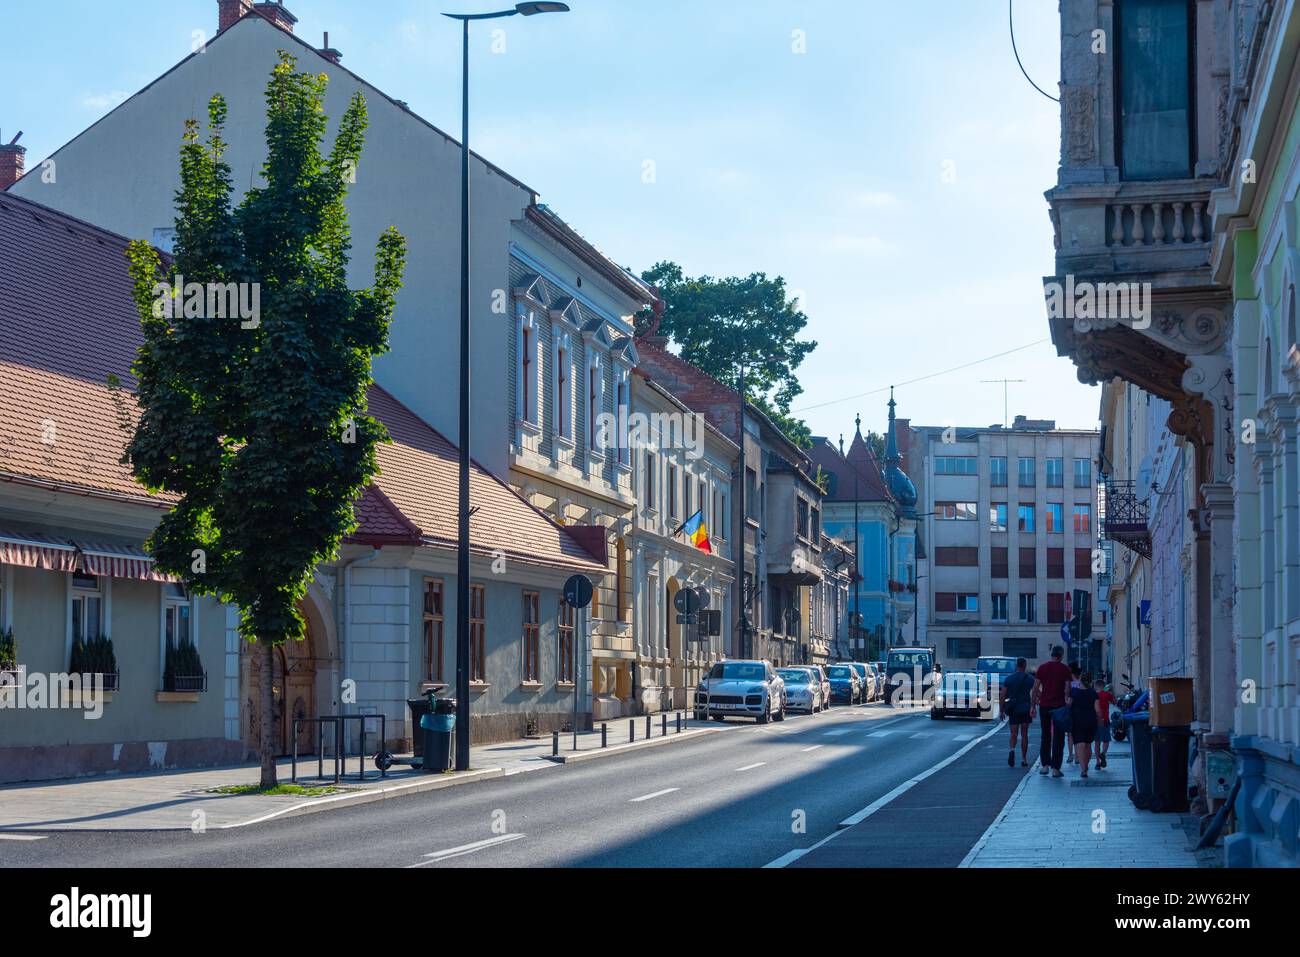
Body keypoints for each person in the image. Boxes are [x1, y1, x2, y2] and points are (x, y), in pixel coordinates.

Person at [1032, 645, 1071, 777]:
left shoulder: (1042, 668)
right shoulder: (1065, 669)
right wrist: (1067, 700)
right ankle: (1055, 768)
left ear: (1052, 654)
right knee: (1059, 737)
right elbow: (1067, 689)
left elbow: (1035, 687)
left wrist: (1033, 705)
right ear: (1061, 655)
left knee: (1045, 735)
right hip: (1059, 706)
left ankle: (1045, 766)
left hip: (1044, 706)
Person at [1000, 657, 1035, 767]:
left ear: (1016, 665)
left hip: (1013, 709)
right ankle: (1024, 759)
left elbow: (1002, 695)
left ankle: (1012, 749)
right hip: (1025, 709)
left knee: (1013, 733)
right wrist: (1033, 706)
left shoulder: (1009, 679)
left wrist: (1001, 710)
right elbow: (1036, 693)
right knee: (1024, 734)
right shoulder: (1030, 679)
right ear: (1024, 665)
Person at [1068, 672, 1100, 777]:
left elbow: (1068, 705)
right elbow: (1098, 710)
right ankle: (1086, 765)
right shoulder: (1093, 692)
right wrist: (1100, 720)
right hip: (1091, 721)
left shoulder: (1074, 692)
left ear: (1080, 681)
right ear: (1091, 681)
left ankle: (1083, 769)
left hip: (1076, 721)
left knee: (1079, 744)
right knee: (1087, 745)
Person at [1094, 677, 1116, 769]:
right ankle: (1103, 753)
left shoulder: (1093, 695)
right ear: (1103, 686)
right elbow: (1115, 702)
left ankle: (1097, 763)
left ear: (1096, 686)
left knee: (1097, 742)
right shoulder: (1106, 694)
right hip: (1105, 720)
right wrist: (1111, 692)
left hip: (1095, 721)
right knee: (1106, 740)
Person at [1065, 663, 1084, 764]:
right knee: (1077, 735)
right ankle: (1077, 756)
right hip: (1080, 712)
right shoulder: (1081, 684)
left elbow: (1067, 697)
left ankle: (1070, 755)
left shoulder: (1069, 684)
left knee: (1070, 735)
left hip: (1071, 710)